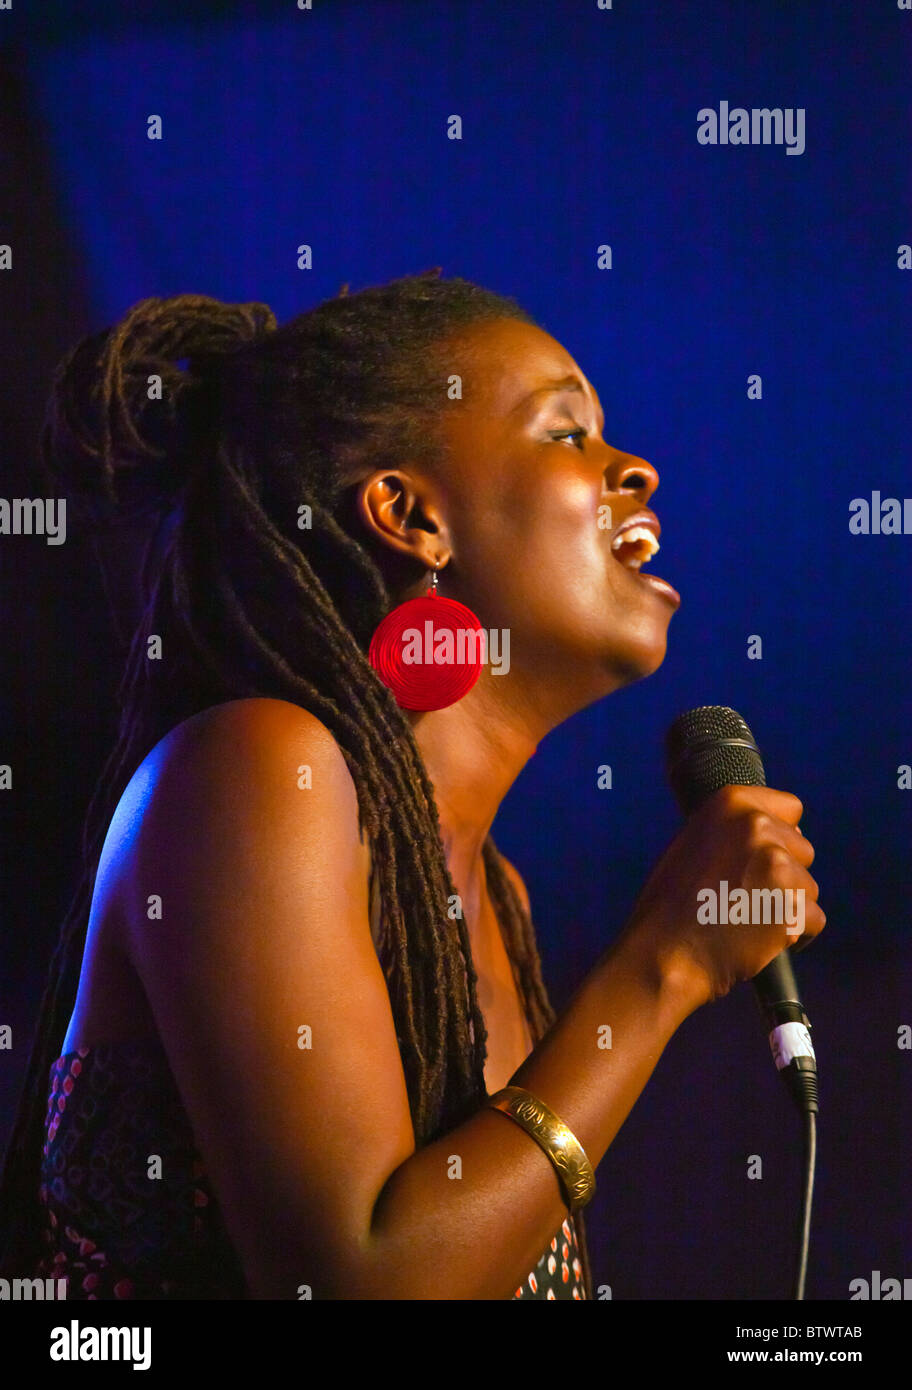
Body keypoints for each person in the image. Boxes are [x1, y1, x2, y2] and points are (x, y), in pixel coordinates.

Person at [0, 270, 824, 1299]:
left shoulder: (501, 903)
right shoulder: (263, 767)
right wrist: (666, 965)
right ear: (409, 514)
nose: (637, 470)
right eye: (568, 432)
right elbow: (363, 1282)